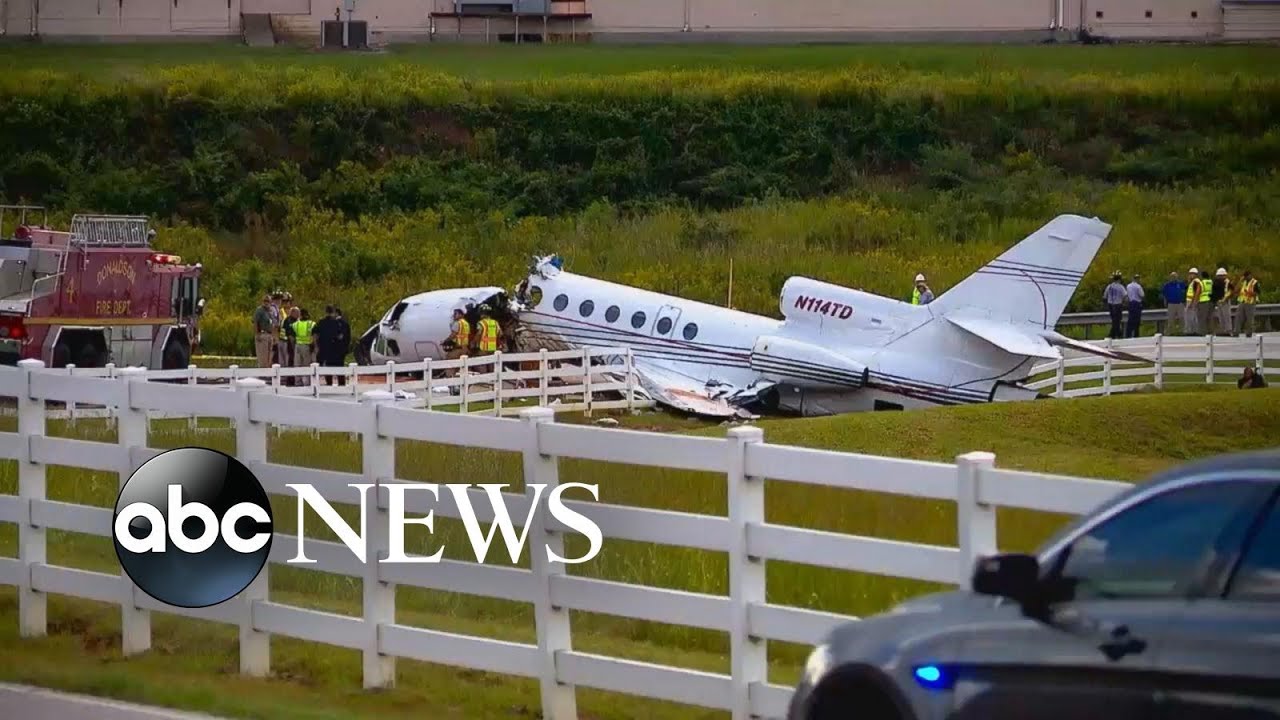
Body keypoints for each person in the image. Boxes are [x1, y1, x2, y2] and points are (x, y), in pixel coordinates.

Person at [313, 305, 345, 386]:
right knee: (339, 367)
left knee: (327, 367)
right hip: (335, 349)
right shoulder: (336, 323)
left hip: (324, 348)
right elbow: (340, 336)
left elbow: (315, 334)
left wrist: (316, 346)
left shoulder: (321, 322)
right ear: (333, 312)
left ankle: (329, 383)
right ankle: (341, 384)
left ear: (326, 312)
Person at [292, 309, 316, 386]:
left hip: (298, 346)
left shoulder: (296, 324)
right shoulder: (311, 324)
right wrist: (314, 346)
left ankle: (298, 382)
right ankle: (308, 382)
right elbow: (315, 336)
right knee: (307, 365)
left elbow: (292, 337)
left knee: (297, 364)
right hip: (307, 346)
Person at [1234, 270, 1260, 338]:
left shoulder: (1255, 282)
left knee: (1249, 319)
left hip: (1250, 303)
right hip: (1242, 302)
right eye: (1245, 277)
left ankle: (1249, 333)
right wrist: (1240, 280)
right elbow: (1236, 290)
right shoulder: (1244, 282)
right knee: (1238, 318)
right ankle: (1236, 332)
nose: (1246, 278)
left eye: (1247, 276)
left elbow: (1257, 293)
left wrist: (1249, 293)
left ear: (1250, 275)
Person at [1160, 272, 1185, 336]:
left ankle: (1182, 331)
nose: (1174, 277)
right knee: (1171, 319)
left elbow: (1184, 292)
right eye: (1172, 276)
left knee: (1181, 318)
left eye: (1175, 276)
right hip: (1171, 304)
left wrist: (1183, 301)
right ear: (1170, 277)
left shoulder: (1180, 284)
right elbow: (1164, 295)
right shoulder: (1167, 285)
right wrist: (1165, 302)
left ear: (1177, 277)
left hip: (1180, 304)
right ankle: (1171, 332)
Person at [252, 295, 274, 368]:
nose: (266, 303)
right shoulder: (259, 310)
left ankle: (267, 372)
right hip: (262, 334)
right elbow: (255, 322)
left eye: (268, 301)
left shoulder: (271, 311)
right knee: (262, 356)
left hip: (269, 334)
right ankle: (263, 373)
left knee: (269, 357)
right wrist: (257, 334)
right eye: (265, 301)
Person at [1103, 271, 1126, 339]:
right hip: (1118, 305)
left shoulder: (1109, 286)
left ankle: (1114, 333)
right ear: (1119, 279)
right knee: (1117, 320)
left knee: (1114, 320)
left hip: (1110, 305)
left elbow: (1104, 296)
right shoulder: (1121, 287)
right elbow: (1125, 295)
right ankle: (1116, 333)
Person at [1124, 273, 1144, 339]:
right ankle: (1136, 334)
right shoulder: (1138, 286)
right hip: (1137, 303)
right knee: (1137, 320)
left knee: (1130, 319)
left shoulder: (1128, 286)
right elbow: (1142, 295)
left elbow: (1127, 295)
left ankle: (1128, 334)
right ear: (1137, 279)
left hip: (1130, 303)